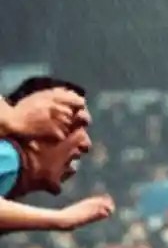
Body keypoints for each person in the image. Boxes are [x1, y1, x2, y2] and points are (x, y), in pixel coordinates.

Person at [1, 77, 114, 233]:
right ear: (34, 135)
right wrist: (61, 219)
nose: (86, 143)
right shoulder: (8, 156)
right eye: (72, 126)